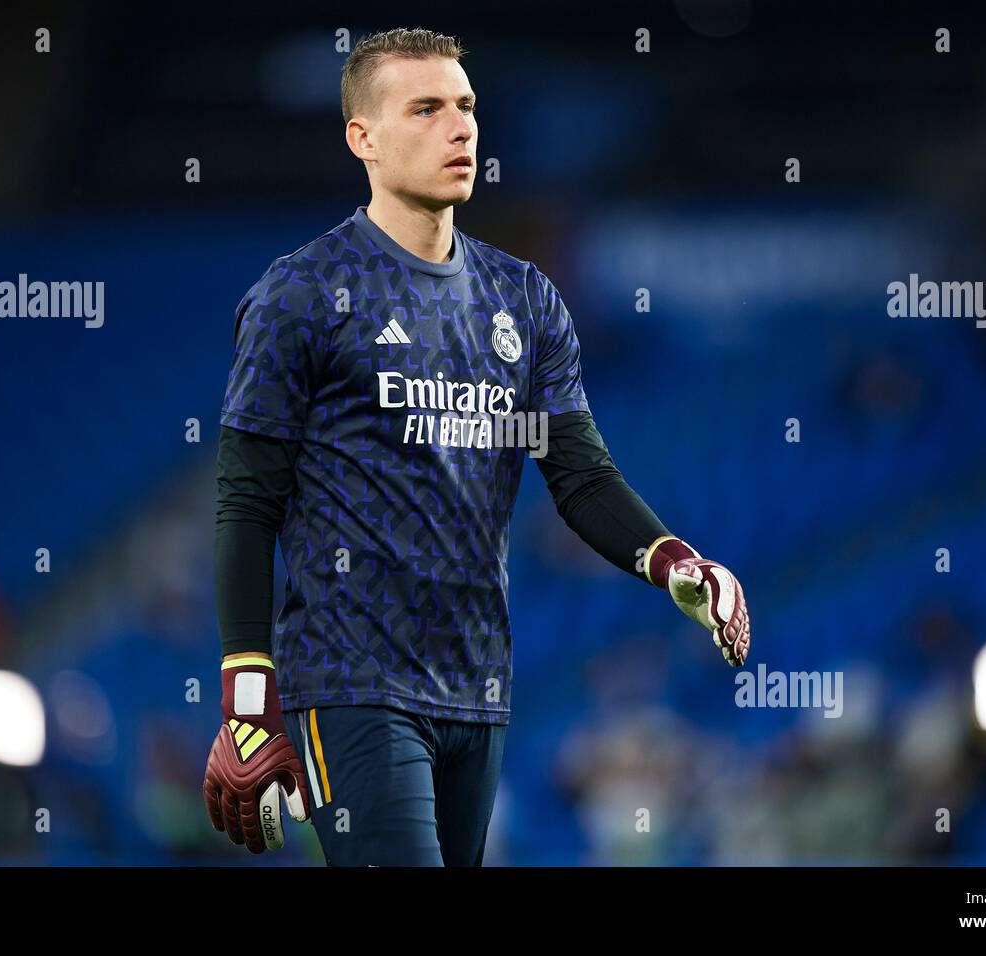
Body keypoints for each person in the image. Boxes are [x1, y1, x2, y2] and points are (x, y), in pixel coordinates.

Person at [202, 26, 750, 867]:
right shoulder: (302, 292)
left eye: (465, 107)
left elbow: (578, 473)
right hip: (348, 683)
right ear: (365, 138)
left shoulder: (524, 299)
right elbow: (247, 499)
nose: (458, 129)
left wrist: (674, 559)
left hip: (478, 688)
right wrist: (247, 694)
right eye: (425, 109)